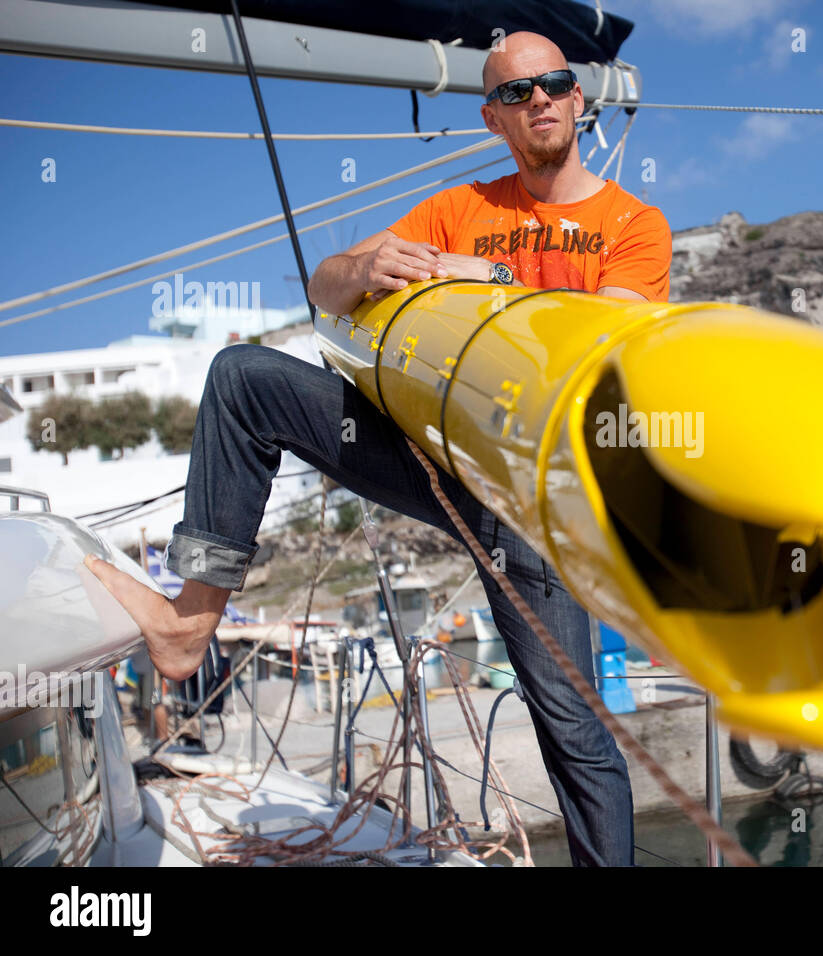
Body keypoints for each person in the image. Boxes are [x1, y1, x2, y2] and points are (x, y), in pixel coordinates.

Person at [82, 31, 672, 867]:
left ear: (579, 98)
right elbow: (324, 287)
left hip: (537, 485)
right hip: (423, 450)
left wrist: (488, 278)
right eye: (515, 93)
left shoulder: (632, 223)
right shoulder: (458, 207)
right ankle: (187, 625)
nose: (537, 99)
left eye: (554, 84)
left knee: (572, 729)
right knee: (245, 376)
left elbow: (607, 332)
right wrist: (363, 265)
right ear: (493, 118)